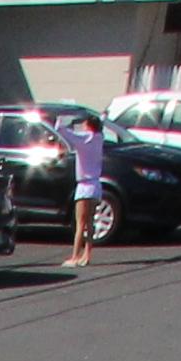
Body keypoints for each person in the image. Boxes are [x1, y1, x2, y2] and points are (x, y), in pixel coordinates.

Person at [60, 104, 108, 270]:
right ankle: (87, 254)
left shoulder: (83, 139)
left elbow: (62, 130)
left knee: (80, 224)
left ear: (88, 126)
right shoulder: (99, 138)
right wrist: (103, 116)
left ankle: (74, 256)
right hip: (96, 185)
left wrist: (65, 119)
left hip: (84, 186)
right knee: (90, 222)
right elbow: (100, 123)